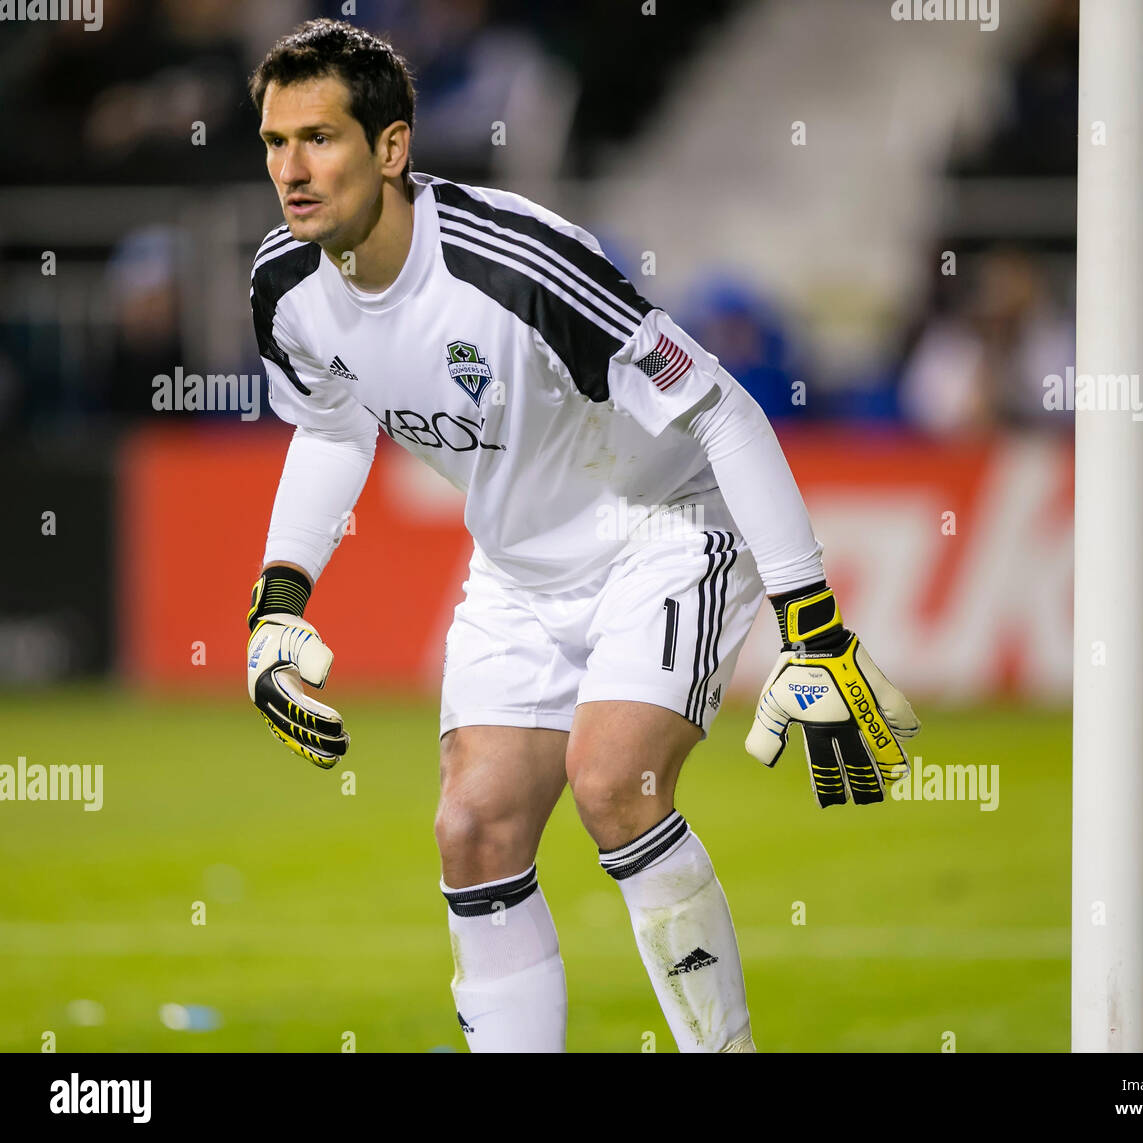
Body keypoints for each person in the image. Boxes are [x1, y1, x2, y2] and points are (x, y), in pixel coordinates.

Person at [242, 18, 920, 1054]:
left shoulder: (516, 267)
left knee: (616, 785)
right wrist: (279, 601)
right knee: (472, 832)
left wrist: (812, 625)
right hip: (517, 568)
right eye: (275, 141)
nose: (291, 169)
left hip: (663, 527)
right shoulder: (284, 285)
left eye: (320, 138)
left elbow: (722, 409)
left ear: (390, 148)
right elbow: (332, 428)